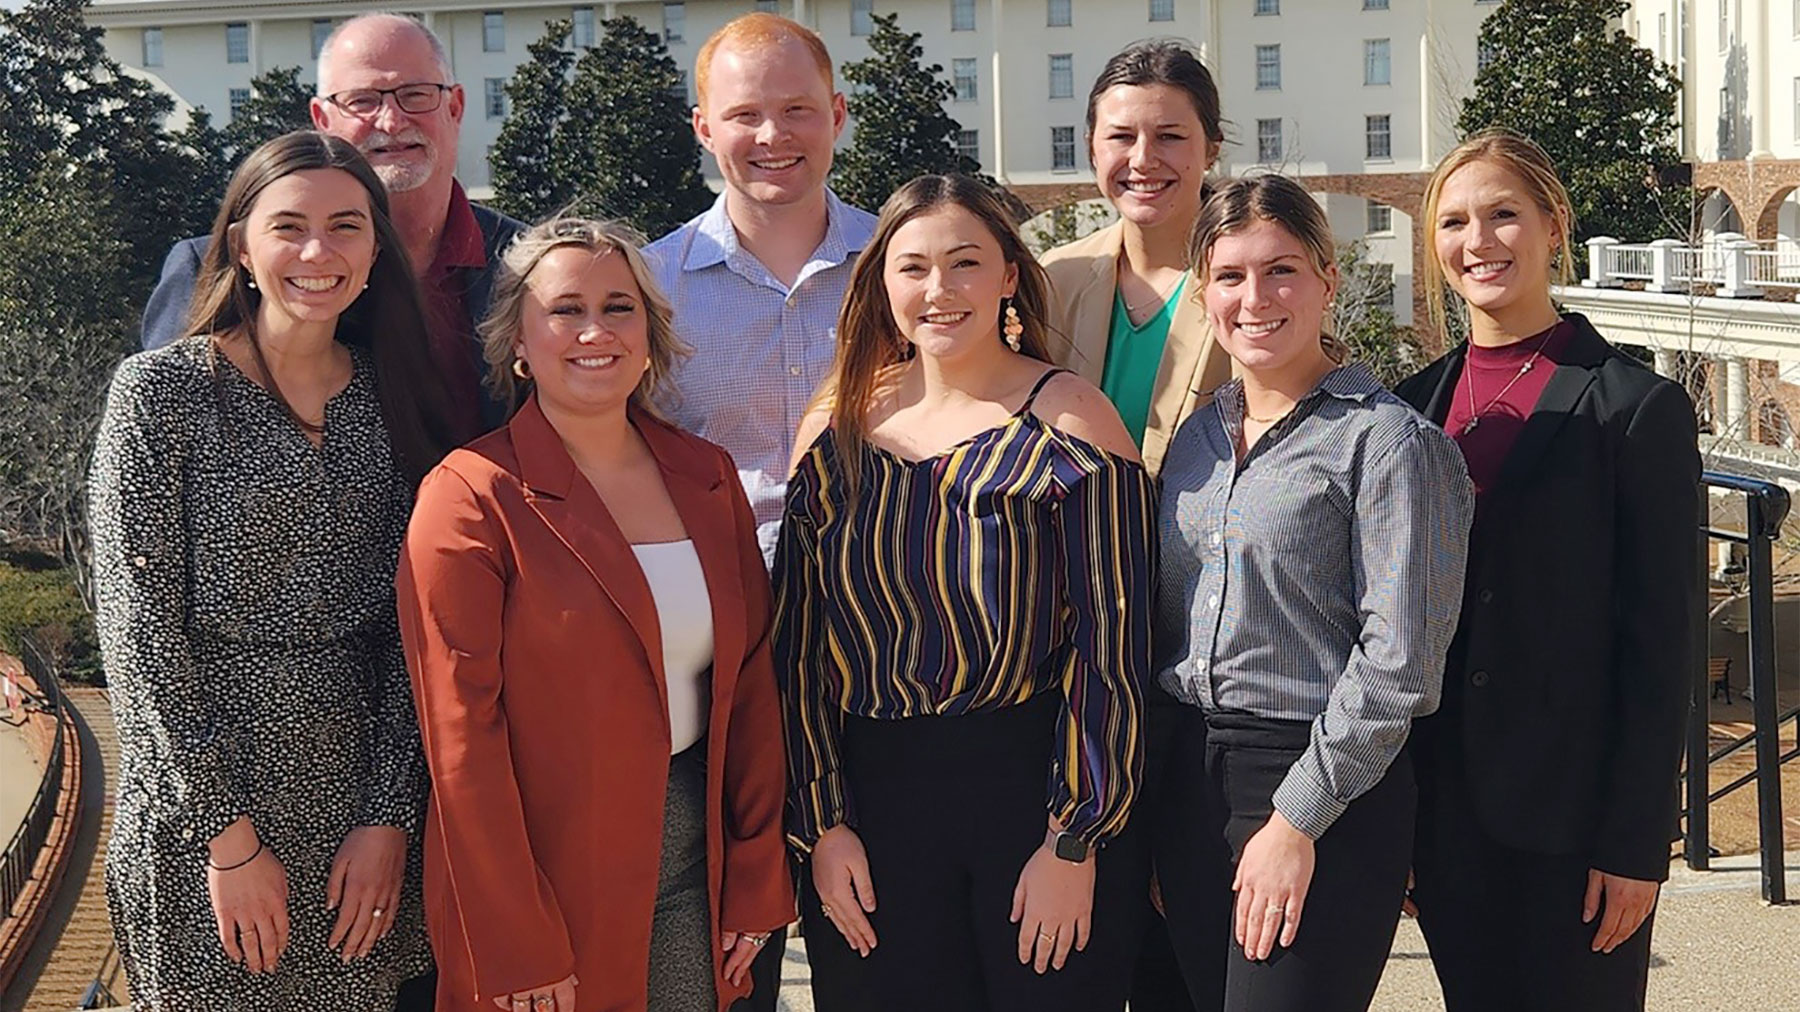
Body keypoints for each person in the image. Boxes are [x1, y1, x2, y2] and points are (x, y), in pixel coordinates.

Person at [90, 130, 456, 1011]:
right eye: (288, 226)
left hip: (358, 816)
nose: (316, 252)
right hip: (202, 816)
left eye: (345, 226)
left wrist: (388, 818)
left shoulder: (397, 399)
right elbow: (138, 637)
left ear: (376, 252)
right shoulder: (160, 395)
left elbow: (420, 630)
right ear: (242, 245)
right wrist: (228, 840)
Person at [776, 174, 1154, 1012]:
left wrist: (1074, 839)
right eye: (912, 267)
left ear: (1010, 276)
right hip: (870, 807)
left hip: (1032, 793)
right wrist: (821, 823)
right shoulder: (833, 431)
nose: (938, 291)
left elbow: (1114, 647)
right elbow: (797, 648)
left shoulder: (1073, 423)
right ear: (881, 281)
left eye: (965, 263)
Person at [396, 218, 794, 1012]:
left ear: (650, 335)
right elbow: (458, 737)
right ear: (517, 339)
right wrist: (514, 938)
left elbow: (751, 684)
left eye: (619, 308)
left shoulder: (705, 476)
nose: (594, 331)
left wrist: (754, 876)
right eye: (565, 309)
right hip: (542, 872)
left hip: (691, 860)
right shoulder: (471, 495)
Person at [1393, 129, 1699, 1012]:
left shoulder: (1636, 408)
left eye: (1502, 215)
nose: (1477, 242)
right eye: (1453, 222)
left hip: (1575, 825)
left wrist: (1638, 842)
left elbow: (1661, 646)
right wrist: (1401, 821)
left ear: (1553, 224)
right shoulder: (1411, 407)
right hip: (1446, 815)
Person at [1153, 174, 1474, 1012]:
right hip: (1188, 779)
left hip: (1318, 784)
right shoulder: (1195, 441)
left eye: (1281, 270)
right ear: (1202, 292)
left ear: (1329, 280)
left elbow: (1399, 665)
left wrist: (1295, 821)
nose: (1254, 298)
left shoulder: (1390, 443)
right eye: (1230, 276)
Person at [142, 13, 524, 440]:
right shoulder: (214, 268)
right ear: (322, 120)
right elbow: (165, 435)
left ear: (455, 107)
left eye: (415, 95)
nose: (391, 121)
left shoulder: (531, 265)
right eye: (362, 101)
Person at [645, 12, 877, 566]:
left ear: (837, 114)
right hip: (720, 602)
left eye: (797, 109)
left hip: (887, 599)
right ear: (703, 129)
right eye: (745, 115)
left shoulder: (900, 266)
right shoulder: (651, 286)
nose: (774, 135)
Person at [1039, 40, 1232, 477]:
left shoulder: (1258, 280)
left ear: (1212, 148)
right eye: (1121, 137)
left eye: (1170, 137)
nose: (1143, 159)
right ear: (1092, 147)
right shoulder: (1056, 277)